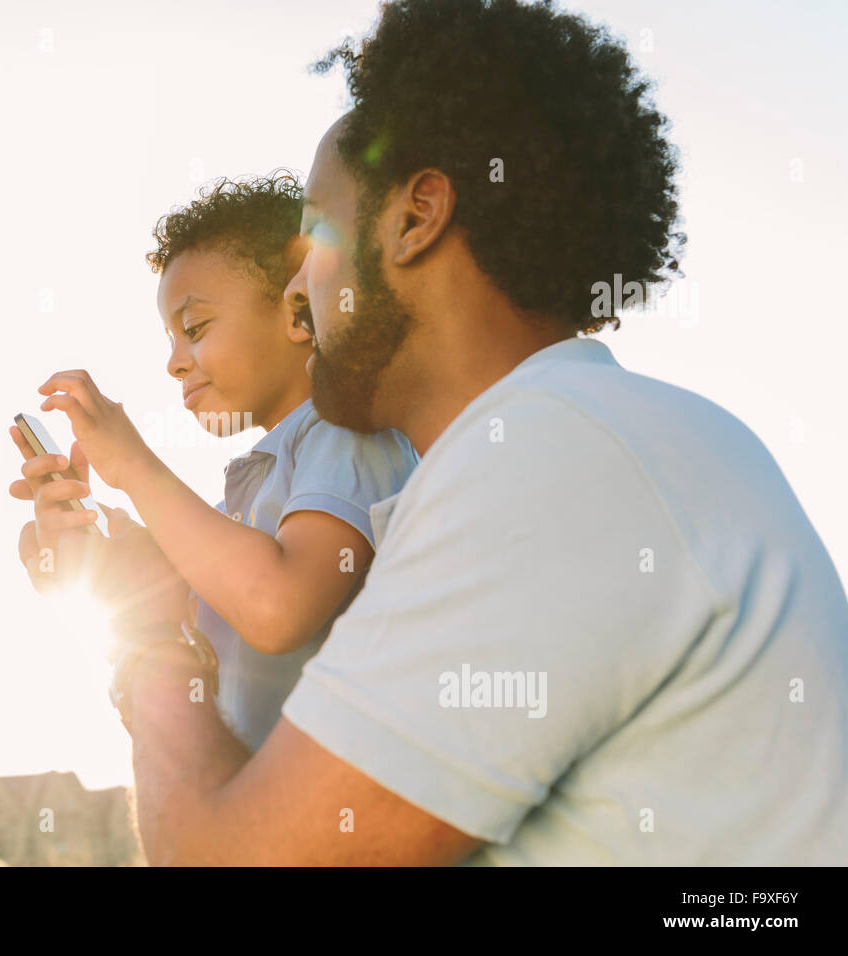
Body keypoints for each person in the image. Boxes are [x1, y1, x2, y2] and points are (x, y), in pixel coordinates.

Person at [60, 0, 848, 865]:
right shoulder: (583, 441)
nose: (297, 295)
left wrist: (149, 644)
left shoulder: (548, 462)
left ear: (416, 215)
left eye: (317, 237)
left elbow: (233, 858)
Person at [9, 171, 417, 753]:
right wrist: (101, 564)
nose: (175, 363)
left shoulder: (347, 434)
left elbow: (277, 607)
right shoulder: (239, 504)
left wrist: (133, 467)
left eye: (194, 328)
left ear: (298, 314)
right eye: (170, 339)